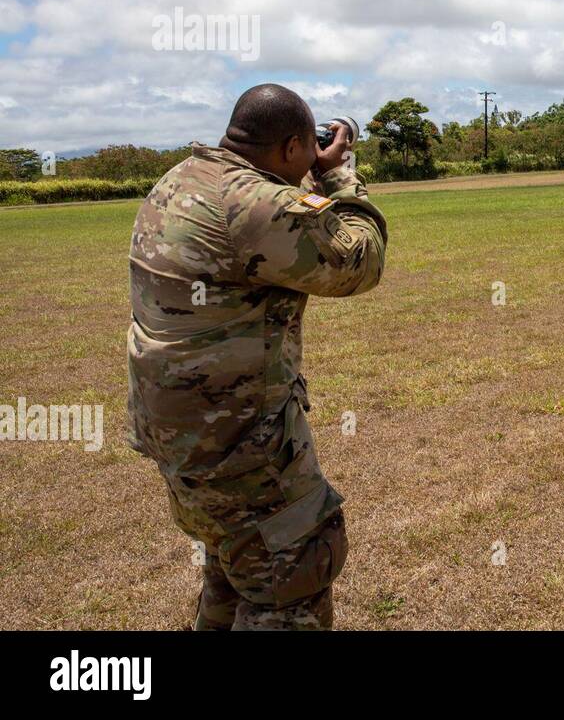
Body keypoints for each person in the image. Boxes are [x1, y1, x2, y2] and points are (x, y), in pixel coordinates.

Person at [127, 83, 388, 631]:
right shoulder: (254, 202)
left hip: (179, 433)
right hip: (239, 437)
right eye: (308, 148)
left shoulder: (178, 180)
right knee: (291, 572)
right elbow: (359, 261)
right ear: (293, 146)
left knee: (233, 564)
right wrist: (339, 177)